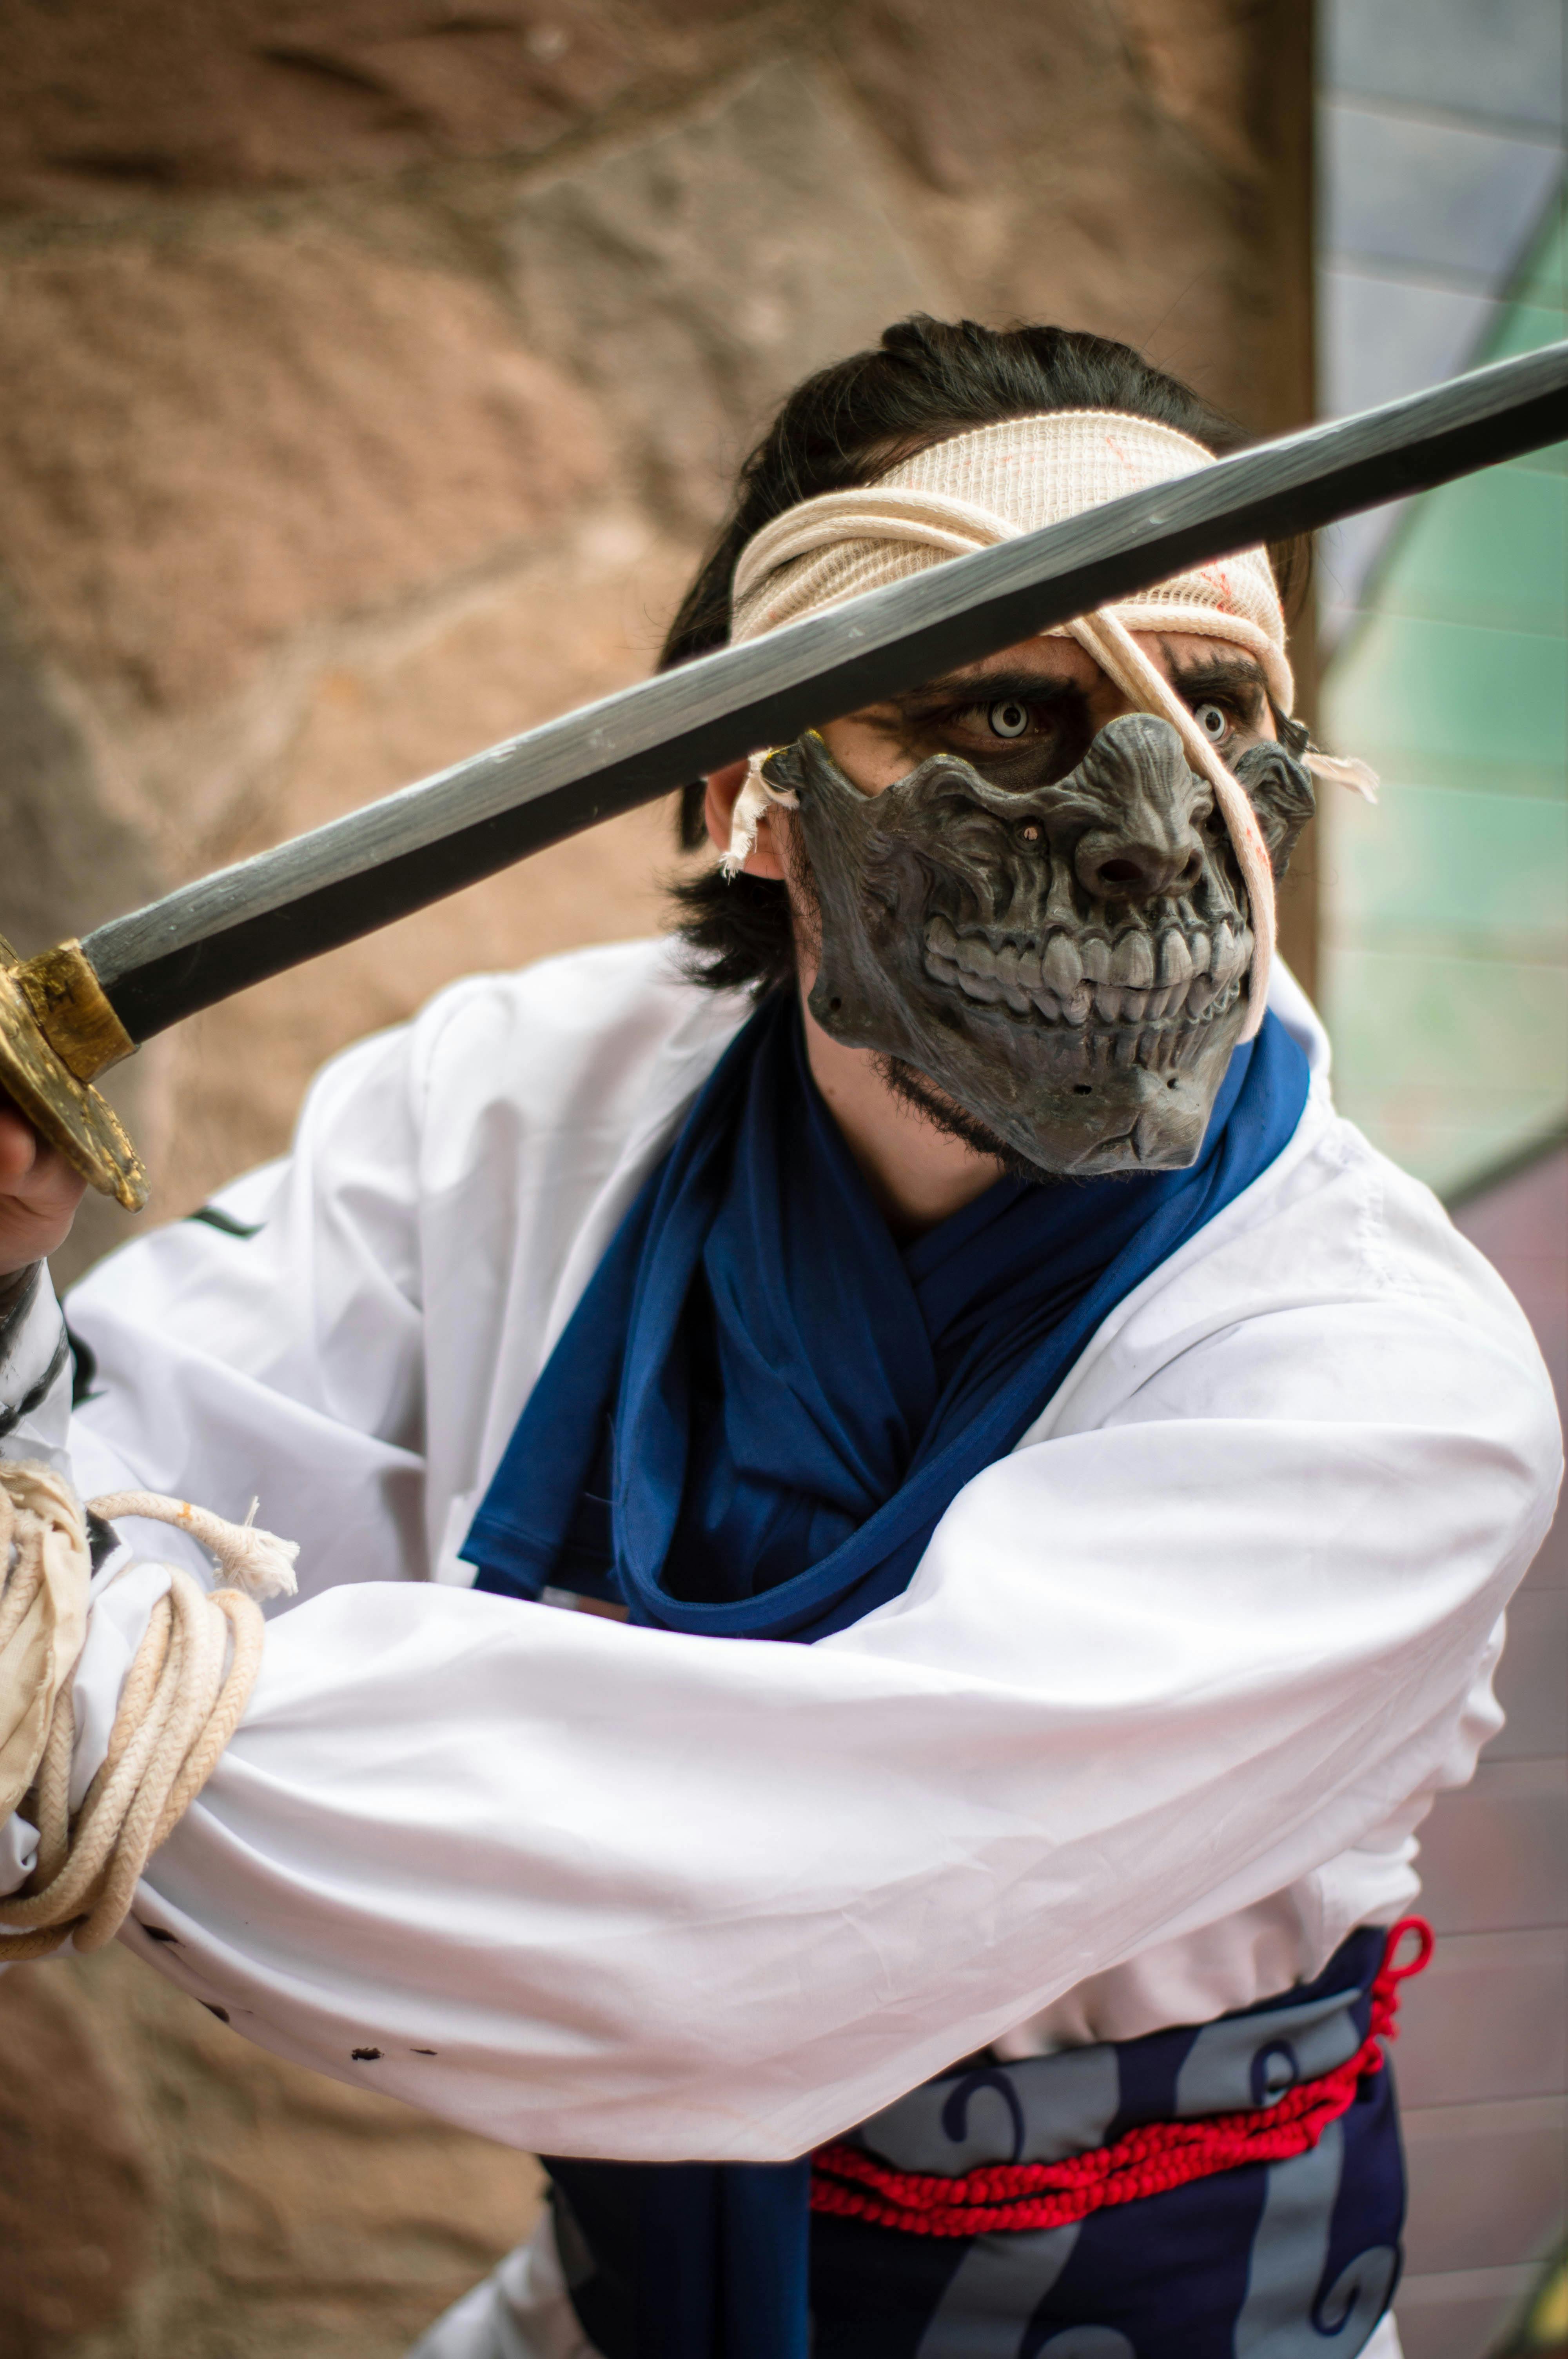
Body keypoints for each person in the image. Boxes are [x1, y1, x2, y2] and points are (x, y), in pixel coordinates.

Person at [0, 318, 1559, 2359]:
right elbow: (100, 1478)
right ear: (759, 793)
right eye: (1010, 716)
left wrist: (47, 1680)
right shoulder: (527, 1104)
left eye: (1214, 709)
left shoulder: (1388, 1396)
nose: (1149, 821)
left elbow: (736, 1923)